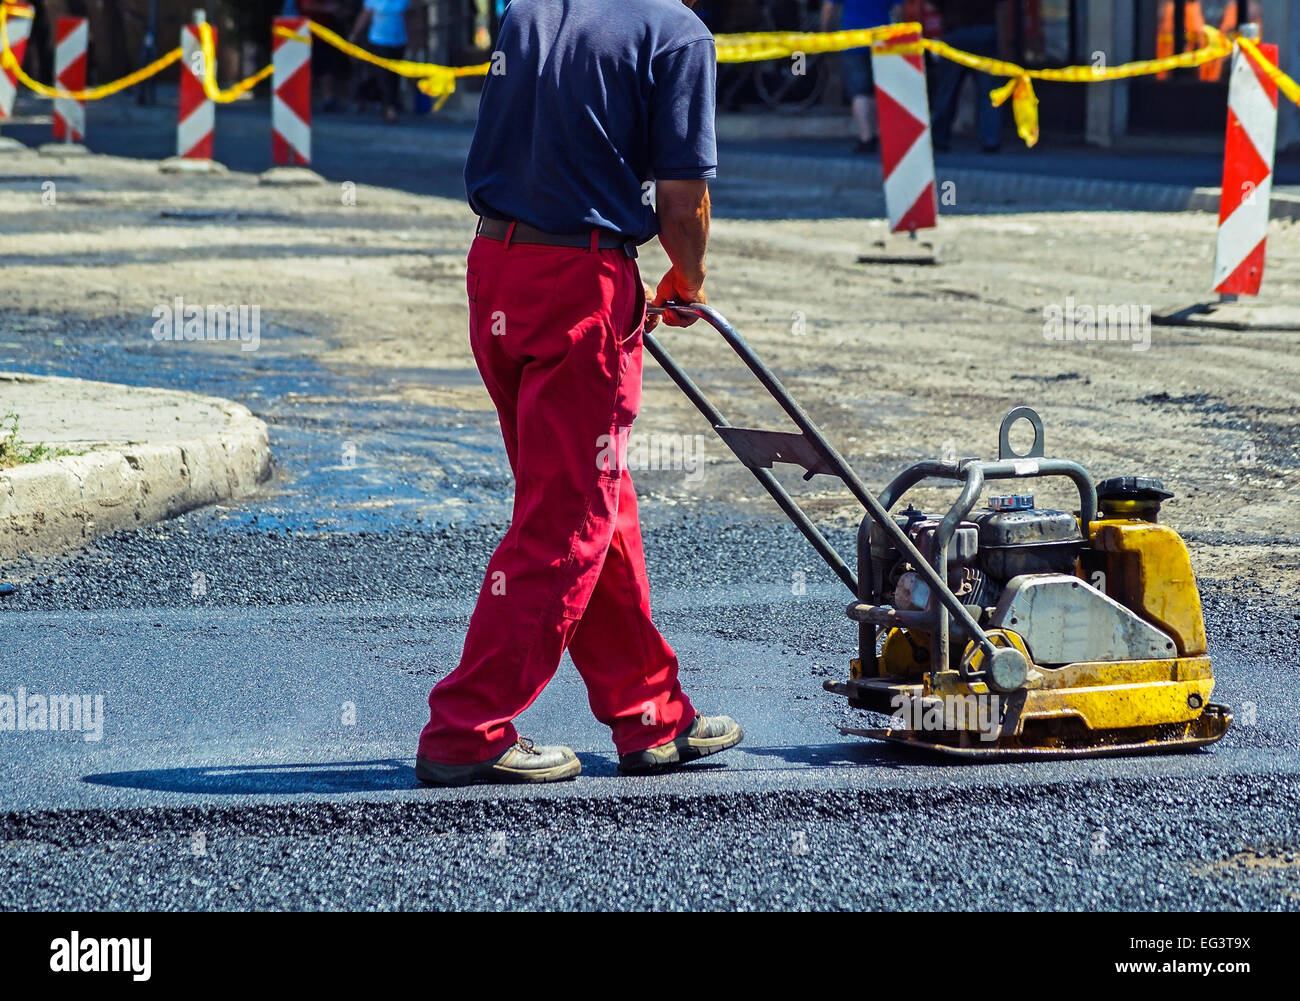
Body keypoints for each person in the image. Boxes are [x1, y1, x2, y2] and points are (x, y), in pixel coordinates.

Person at [414, 0, 744, 786]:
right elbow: (681, 200)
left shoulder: (529, 10)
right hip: (580, 285)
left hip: (497, 271)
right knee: (567, 517)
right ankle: (467, 726)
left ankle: (649, 713)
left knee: (599, 499)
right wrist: (686, 281)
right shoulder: (676, 31)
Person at [930, 0, 1005, 152]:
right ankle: (990, 140)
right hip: (986, 31)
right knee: (989, 92)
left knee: (948, 89)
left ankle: (939, 138)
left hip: (955, 32)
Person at [821, 0, 893, 153]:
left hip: (853, 38)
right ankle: (877, 133)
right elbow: (899, 11)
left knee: (859, 92)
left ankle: (866, 138)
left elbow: (829, 7)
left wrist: (824, 32)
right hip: (882, 39)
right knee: (878, 90)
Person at [349, 0, 409, 122]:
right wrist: (354, 34)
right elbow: (365, 15)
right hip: (379, 40)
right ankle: (389, 107)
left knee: (394, 75)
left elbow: (409, 18)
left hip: (399, 41)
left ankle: (389, 103)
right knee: (383, 75)